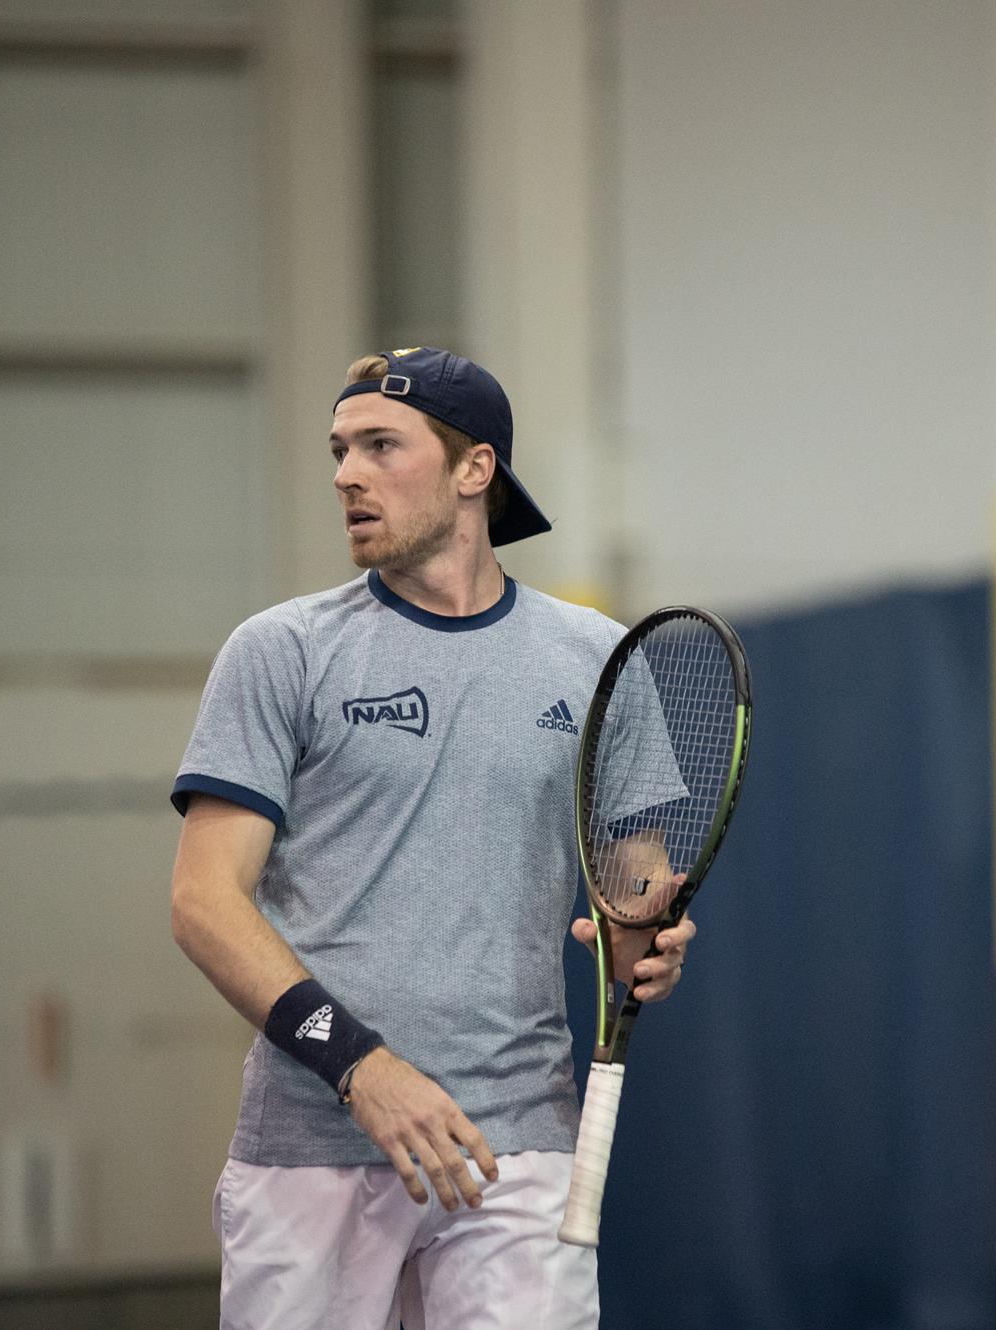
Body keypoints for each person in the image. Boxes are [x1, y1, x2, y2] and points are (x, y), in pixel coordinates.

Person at [167, 346, 696, 1329]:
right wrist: (361, 1068)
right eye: (337, 450)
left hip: (518, 1147)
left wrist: (643, 940)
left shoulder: (592, 658)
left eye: (379, 446)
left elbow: (633, 885)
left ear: (474, 469)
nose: (345, 475)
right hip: (311, 1147)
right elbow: (203, 902)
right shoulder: (280, 652)